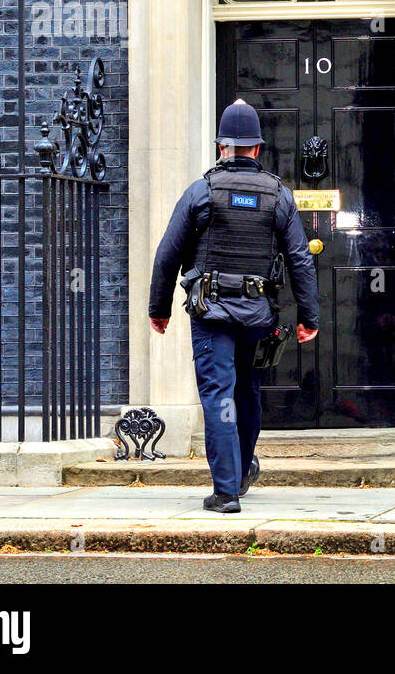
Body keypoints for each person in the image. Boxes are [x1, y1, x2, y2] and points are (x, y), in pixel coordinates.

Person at [148, 99, 319, 513]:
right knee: (247, 391)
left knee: (218, 395)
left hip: (211, 314)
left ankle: (226, 491)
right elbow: (299, 257)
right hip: (258, 314)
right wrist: (308, 315)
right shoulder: (279, 194)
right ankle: (240, 474)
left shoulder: (201, 192)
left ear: (221, 146)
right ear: (257, 149)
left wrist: (160, 308)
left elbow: (168, 254)